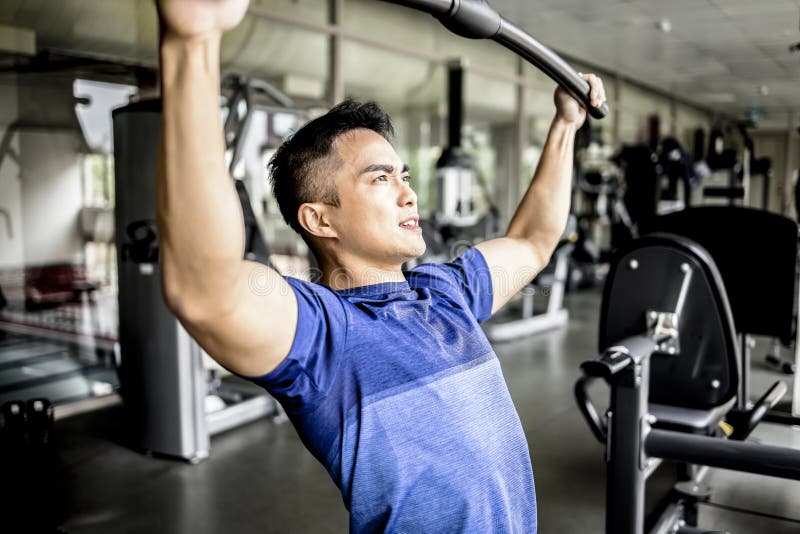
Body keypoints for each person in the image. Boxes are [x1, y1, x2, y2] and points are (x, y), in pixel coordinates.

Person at [155, 0, 605, 532]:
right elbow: (206, 289)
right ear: (319, 219)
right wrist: (194, 42)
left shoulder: (446, 293)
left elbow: (533, 241)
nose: (409, 194)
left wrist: (566, 125)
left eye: (404, 175)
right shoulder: (323, 336)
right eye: (380, 178)